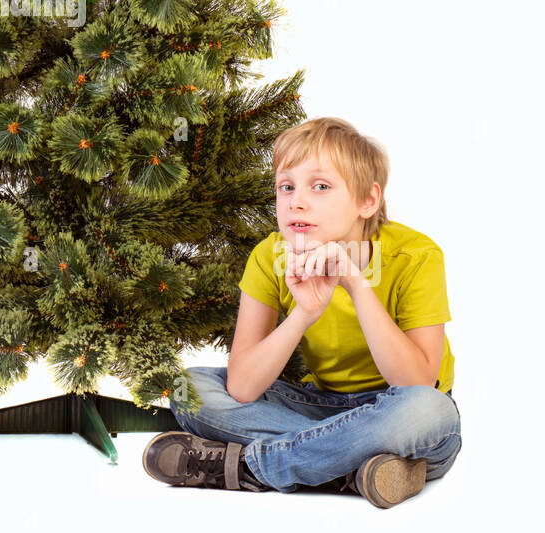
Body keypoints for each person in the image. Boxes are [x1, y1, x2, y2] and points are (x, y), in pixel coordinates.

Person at [143, 116, 461, 508]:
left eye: (321, 186)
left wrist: (356, 285)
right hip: (319, 407)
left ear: (368, 200)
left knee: (428, 410)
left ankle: (251, 467)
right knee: (190, 388)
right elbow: (242, 387)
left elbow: (416, 383)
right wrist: (303, 314)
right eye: (286, 186)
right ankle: (353, 466)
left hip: (401, 412)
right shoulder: (270, 256)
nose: (296, 201)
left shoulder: (416, 255)